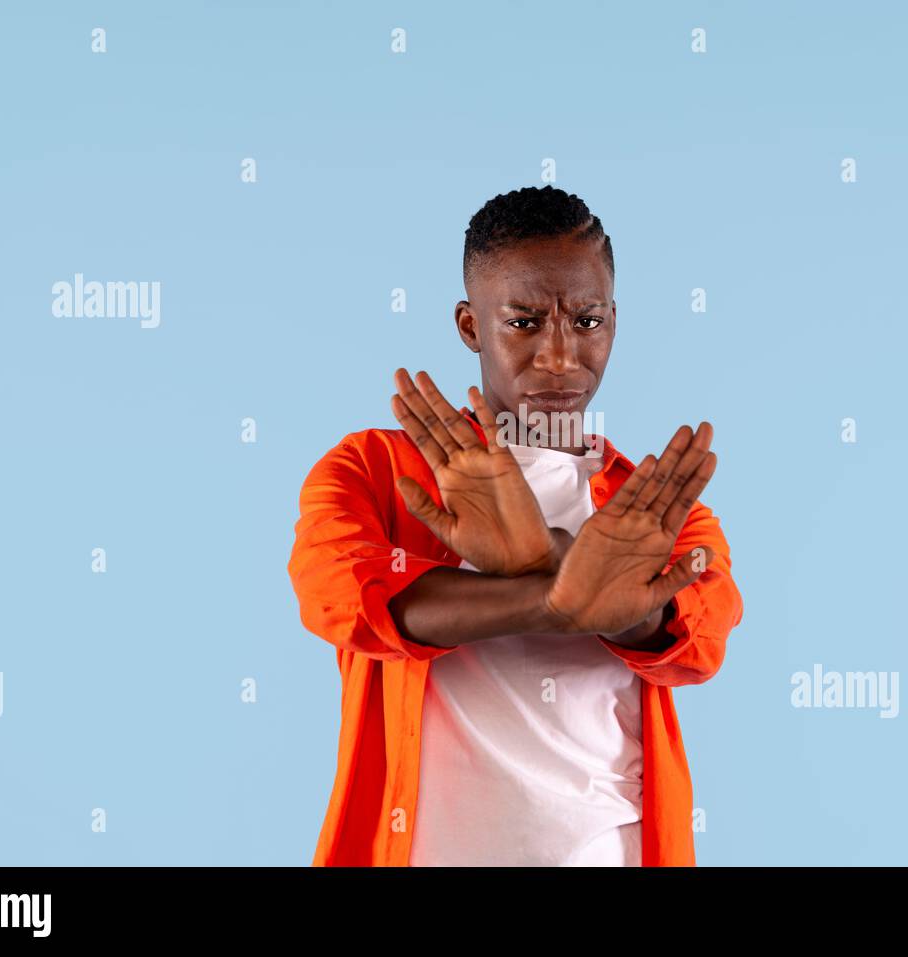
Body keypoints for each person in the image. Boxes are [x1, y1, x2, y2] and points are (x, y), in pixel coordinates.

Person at [286, 185, 743, 866]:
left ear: (614, 321)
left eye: (586, 320)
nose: (560, 356)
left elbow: (700, 638)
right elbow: (343, 598)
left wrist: (578, 580)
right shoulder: (374, 470)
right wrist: (551, 596)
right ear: (470, 326)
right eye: (524, 322)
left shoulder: (655, 508)